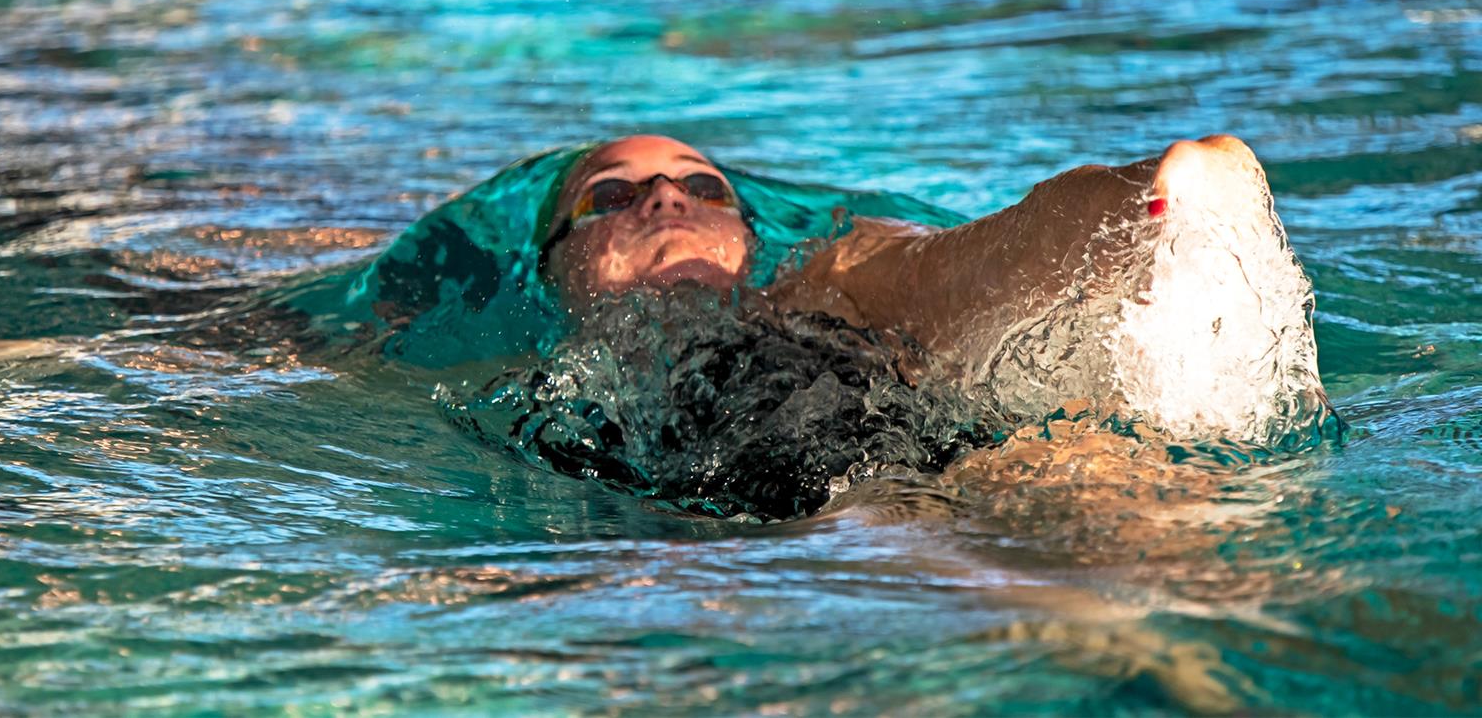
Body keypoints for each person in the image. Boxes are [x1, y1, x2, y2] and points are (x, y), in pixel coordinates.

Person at [535, 133, 1330, 448]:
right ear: (553, 267)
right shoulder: (524, 385)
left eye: (704, 187)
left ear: (747, 236)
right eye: (611, 195)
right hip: (763, 565)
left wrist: (1138, 199)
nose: (667, 198)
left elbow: (976, 262)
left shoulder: (826, 277)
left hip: (953, 475)